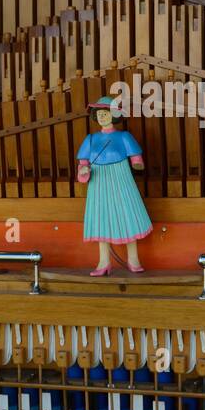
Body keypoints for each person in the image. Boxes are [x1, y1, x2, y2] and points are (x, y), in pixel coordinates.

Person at [76, 96, 151, 276]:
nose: (102, 117)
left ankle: (133, 259)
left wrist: (137, 163)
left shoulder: (124, 136)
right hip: (99, 180)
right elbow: (83, 162)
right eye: (100, 114)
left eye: (106, 113)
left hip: (120, 176)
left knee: (127, 214)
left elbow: (136, 157)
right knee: (102, 216)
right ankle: (103, 261)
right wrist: (84, 170)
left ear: (114, 115)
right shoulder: (91, 139)